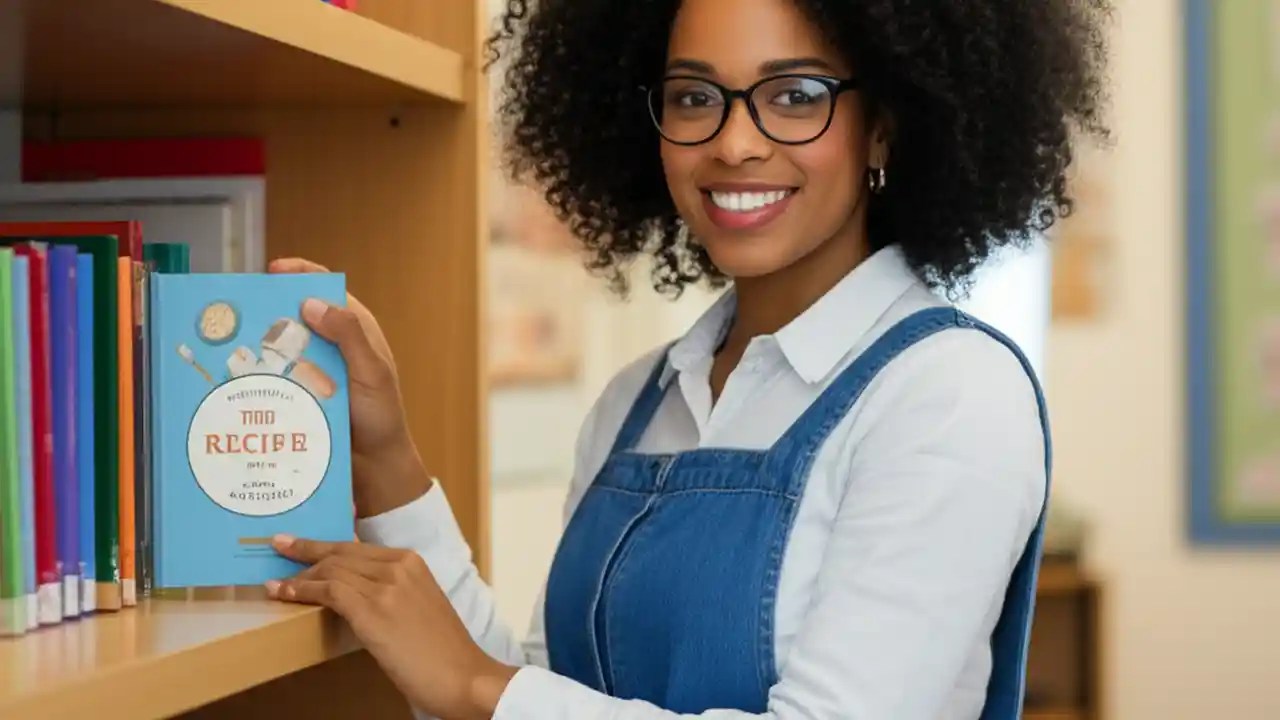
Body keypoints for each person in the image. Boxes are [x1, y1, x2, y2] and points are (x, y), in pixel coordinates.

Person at [263, 0, 1110, 717]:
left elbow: (490, 691)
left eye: (795, 94)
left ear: (882, 128)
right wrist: (386, 459)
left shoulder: (950, 393)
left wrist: (477, 685)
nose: (735, 143)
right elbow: (524, 695)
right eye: (695, 96)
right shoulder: (636, 403)